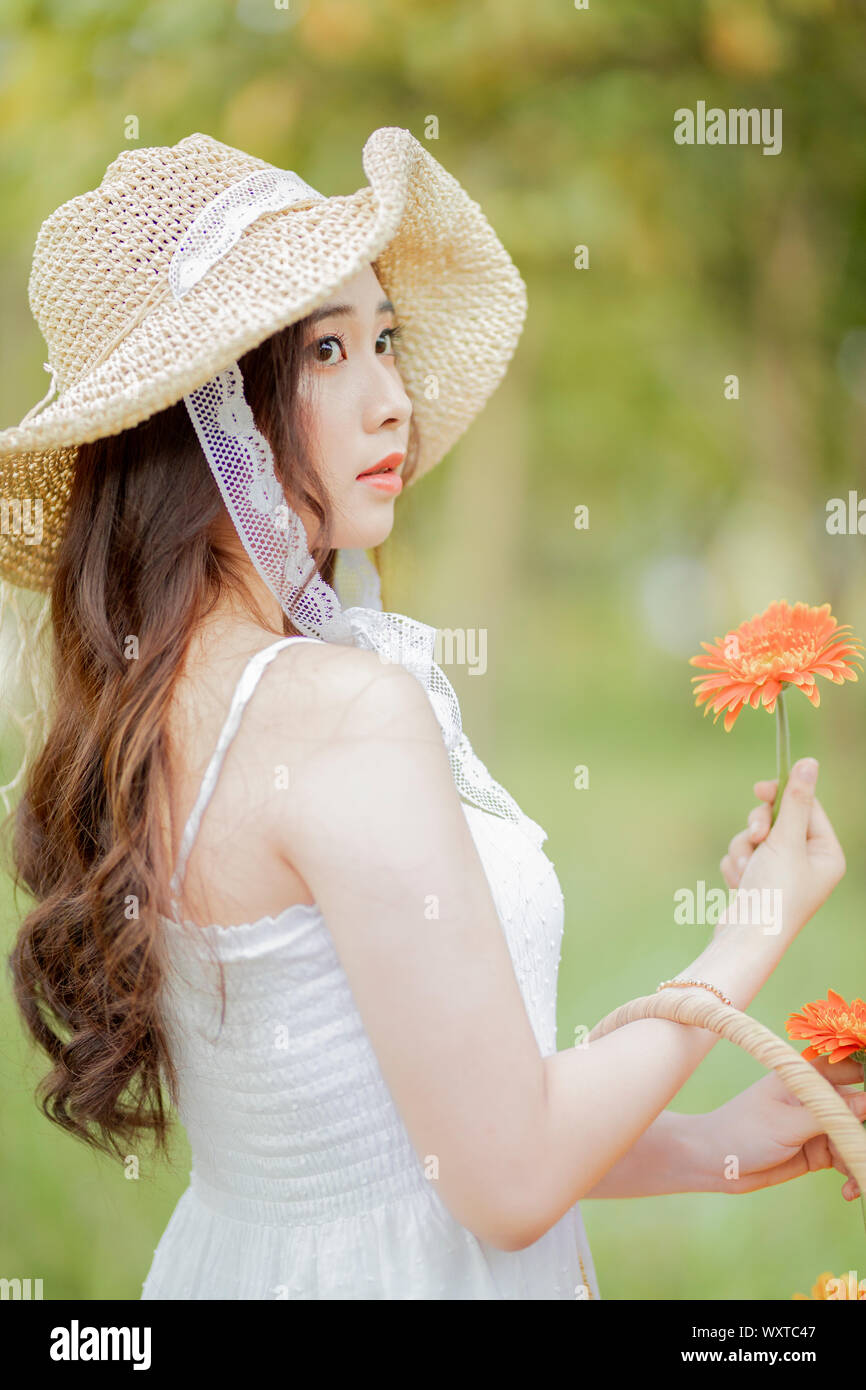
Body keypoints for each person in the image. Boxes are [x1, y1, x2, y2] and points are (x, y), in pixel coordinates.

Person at [1, 130, 862, 1302]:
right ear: (205, 417)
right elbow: (500, 1179)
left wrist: (705, 1149)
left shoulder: (160, 705)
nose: (392, 397)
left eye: (385, 339)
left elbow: (403, 1138)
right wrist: (751, 926)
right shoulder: (339, 710)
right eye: (326, 350)